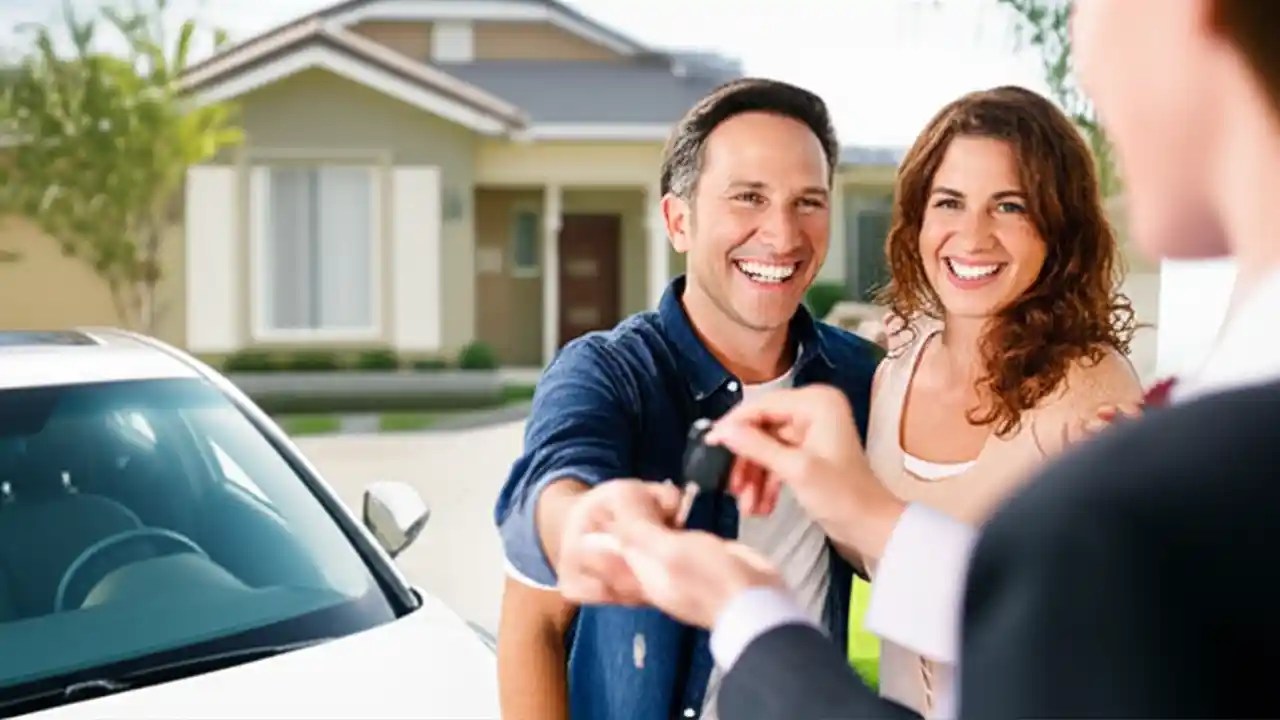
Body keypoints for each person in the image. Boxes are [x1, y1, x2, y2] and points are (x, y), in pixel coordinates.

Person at [560, 0, 1280, 717]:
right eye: (949, 202)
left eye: (1011, 206)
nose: (1082, 55)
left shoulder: (1156, 444)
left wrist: (748, 612)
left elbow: (1062, 657)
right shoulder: (879, 372)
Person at [490, 76, 883, 720]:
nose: (783, 235)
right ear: (678, 220)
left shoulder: (857, 378)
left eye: (807, 202)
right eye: (748, 198)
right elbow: (533, 611)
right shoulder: (609, 374)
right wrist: (583, 523)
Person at [847, 84, 1144, 716]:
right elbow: (869, 551)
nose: (972, 236)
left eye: (1009, 206)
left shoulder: (1092, 389)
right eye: (949, 202)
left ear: (1057, 229)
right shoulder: (893, 373)